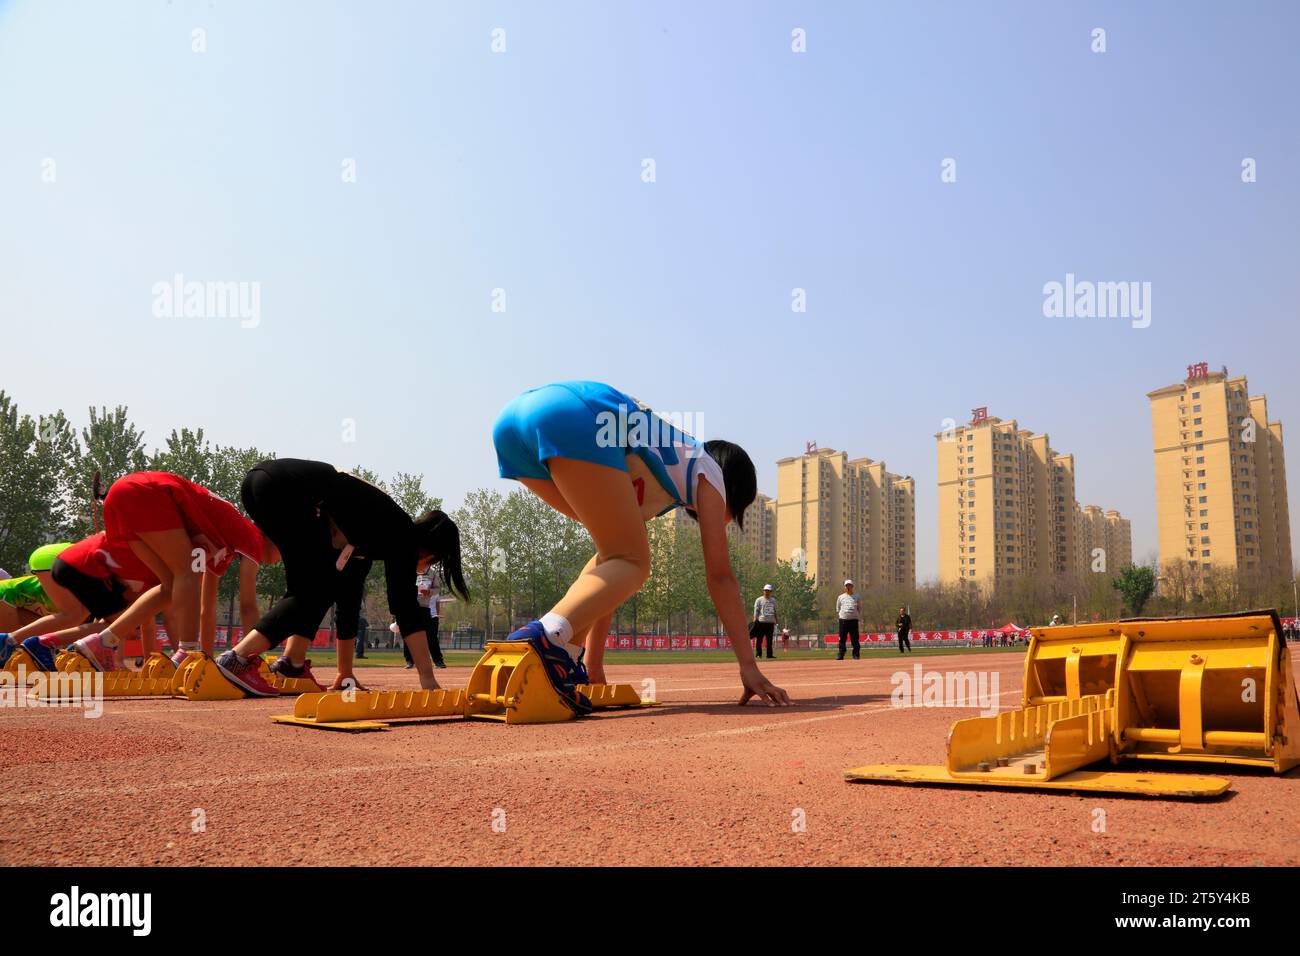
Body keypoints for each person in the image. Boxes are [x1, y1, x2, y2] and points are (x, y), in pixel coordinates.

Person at [492, 380, 791, 711]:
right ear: (732, 487)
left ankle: (565, 656)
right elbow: (721, 578)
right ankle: (547, 637)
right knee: (634, 562)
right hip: (576, 413)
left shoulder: (657, 483)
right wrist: (749, 666)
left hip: (514, 422)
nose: (726, 520)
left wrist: (594, 669)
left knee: (617, 559)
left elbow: (608, 570)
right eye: (735, 511)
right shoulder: (710, 470)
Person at [214, 458, 468, 696]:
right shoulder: (401, 535)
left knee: (316, 587)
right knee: (312, 591)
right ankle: (237, 658)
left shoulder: (370, 538)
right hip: (286, 490)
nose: (423, 569)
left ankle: (292, 663)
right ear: (431, 552)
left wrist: (345, 674)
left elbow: (349, 599)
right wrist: (427, 678)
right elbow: (405, 607)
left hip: (261, 483)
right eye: (432, 563)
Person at [64, 472, 275, 672]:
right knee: (188, 573)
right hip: (147, 491)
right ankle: (188, 651)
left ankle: (102, 641)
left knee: (170, 586)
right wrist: (249, 658)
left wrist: (207, 659)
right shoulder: (253, 538)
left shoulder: (225, 547)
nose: (283, 559)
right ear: (275, 539)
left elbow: (206, 610)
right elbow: (248, 607)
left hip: (122, 494)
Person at [411, 567, 447, 668]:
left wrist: (429, 592)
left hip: (426, 609)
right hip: (412, 608)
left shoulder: (432, 573)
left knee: (432, 637)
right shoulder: (410, 570)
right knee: (412, 636)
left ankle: (438, 661)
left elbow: (437, 589)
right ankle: (411, 661)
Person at [836, 579, 861, 660]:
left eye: (850, 585)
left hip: (854, 620)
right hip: (843, 620)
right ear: (844, 587)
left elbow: (859, 608)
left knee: (855, 638)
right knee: (842, 638)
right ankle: (841, 654)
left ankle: (856, 654)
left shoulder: (857, 596)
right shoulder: (840, 597)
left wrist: (855, 615)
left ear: (852, 586)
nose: (848, 587)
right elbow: (838, 608)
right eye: (846, 585)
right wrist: (842, 616)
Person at [752, 584, 778, 660]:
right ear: (763, 591)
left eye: (768, 591)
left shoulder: (773, 600)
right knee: (759, 640)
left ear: (771, 591)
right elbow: (756, 610)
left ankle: (769, 655)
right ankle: (758, 654)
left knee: (769, 640)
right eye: (765, 590)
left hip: (770, 623)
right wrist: (754, 619)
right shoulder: (759, 600)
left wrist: (776, 620)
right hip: (761, 622)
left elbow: (775, 611)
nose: (767, 592)